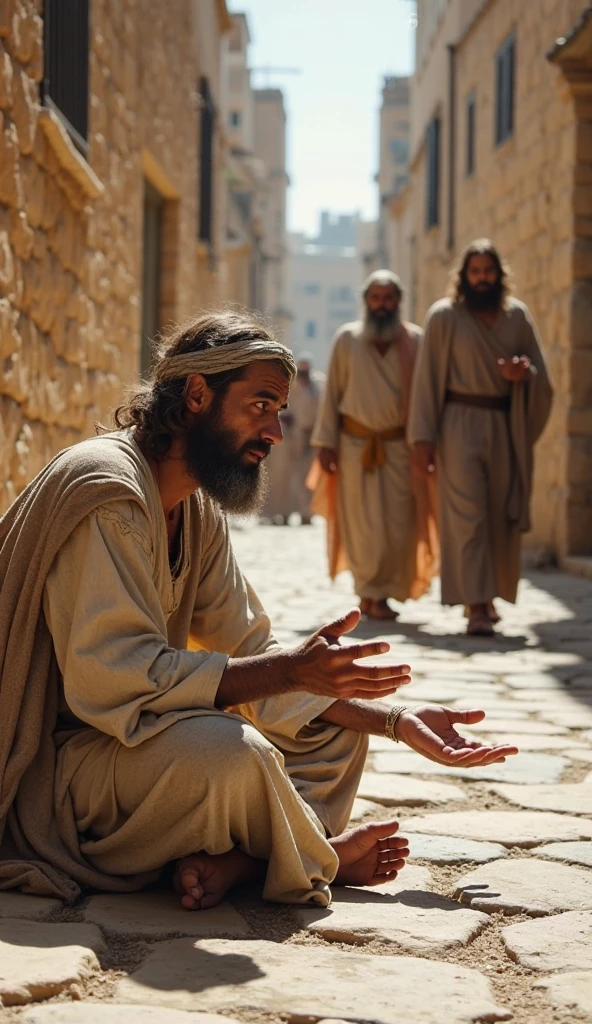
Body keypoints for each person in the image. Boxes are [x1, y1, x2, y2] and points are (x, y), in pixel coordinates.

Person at [0, 310, 517, 911]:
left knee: (334, 732)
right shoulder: (107, 491)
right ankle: (316, 856)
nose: (275, 431)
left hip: (136, 755)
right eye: (260, 405)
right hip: (63, 771)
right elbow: (116, 680)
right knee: (234, 753)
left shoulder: (195, 511)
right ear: (197, 394)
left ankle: (248, 860)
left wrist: (393, 721)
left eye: (278, 411)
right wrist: (290, 672)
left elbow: (252, 653)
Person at [408, 239, 553, 636]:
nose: (483, 277)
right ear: (464, 276)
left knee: (497, 517)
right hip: (458, 426)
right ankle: (474, 605)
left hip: (505, 424)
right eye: (475, 271)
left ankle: (489, 597)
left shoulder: (517, 317)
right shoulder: (444, 317)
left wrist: (522, 376)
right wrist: (423, 439)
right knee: (467, 516)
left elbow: (542, 379)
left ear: (499, 274)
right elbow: (426, 383)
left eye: (489, 270)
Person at [311, 270, 438, 620]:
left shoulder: (416, 341)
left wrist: (427, 442)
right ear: (366, 301)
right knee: (361, 526)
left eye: (388, 298)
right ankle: (369, 593)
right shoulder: (347, 339)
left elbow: (427, 398)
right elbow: (332, 396)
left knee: (399, 525)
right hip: (354, 448)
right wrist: (325, 442)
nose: (382, 304)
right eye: (375, 298)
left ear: (399, 301)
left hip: (400, 449)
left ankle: (385, 591)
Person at [261, 352, 323, 526]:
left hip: (310, 439)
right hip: (287, 440)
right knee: (284, 478)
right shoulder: (287, 386)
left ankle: (306, 513)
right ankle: (282, 513)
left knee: (307, 478)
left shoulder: (317, 386)